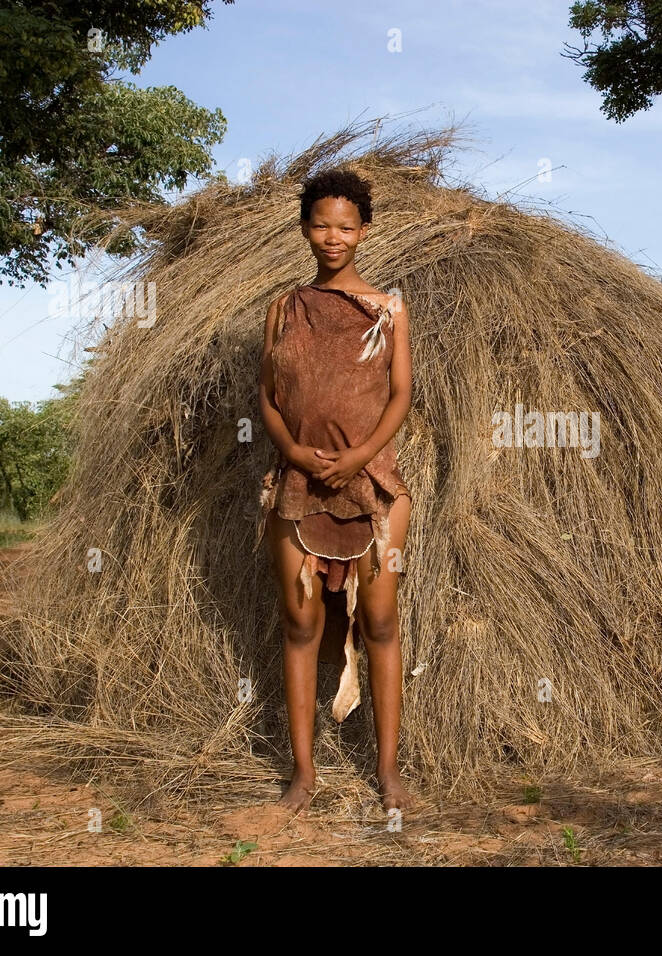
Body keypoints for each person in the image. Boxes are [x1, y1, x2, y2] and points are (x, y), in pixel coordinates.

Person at [256, 167, 415, 813]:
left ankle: (388, 772)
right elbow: (267, 397)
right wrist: (293, 450)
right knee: (300, 623)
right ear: (304, 228)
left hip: (374, 484)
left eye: (345, 226)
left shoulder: (388, 308)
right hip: (298, 482)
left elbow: (401, 394)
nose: (332, 236)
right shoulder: (283, 309)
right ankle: (302, 774)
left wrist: (360, 456)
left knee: (379, 621)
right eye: (320, 224)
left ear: (364, 231)